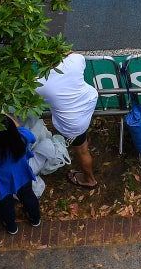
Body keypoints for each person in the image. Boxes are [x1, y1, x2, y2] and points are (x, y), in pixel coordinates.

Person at [35, 51, 100, 188]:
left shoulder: (39, 84)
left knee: (82, 151)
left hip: (73, 122)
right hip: (88, 103)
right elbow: (76, 55)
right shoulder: (75, 61)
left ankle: (89, 180)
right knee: (82, 139)